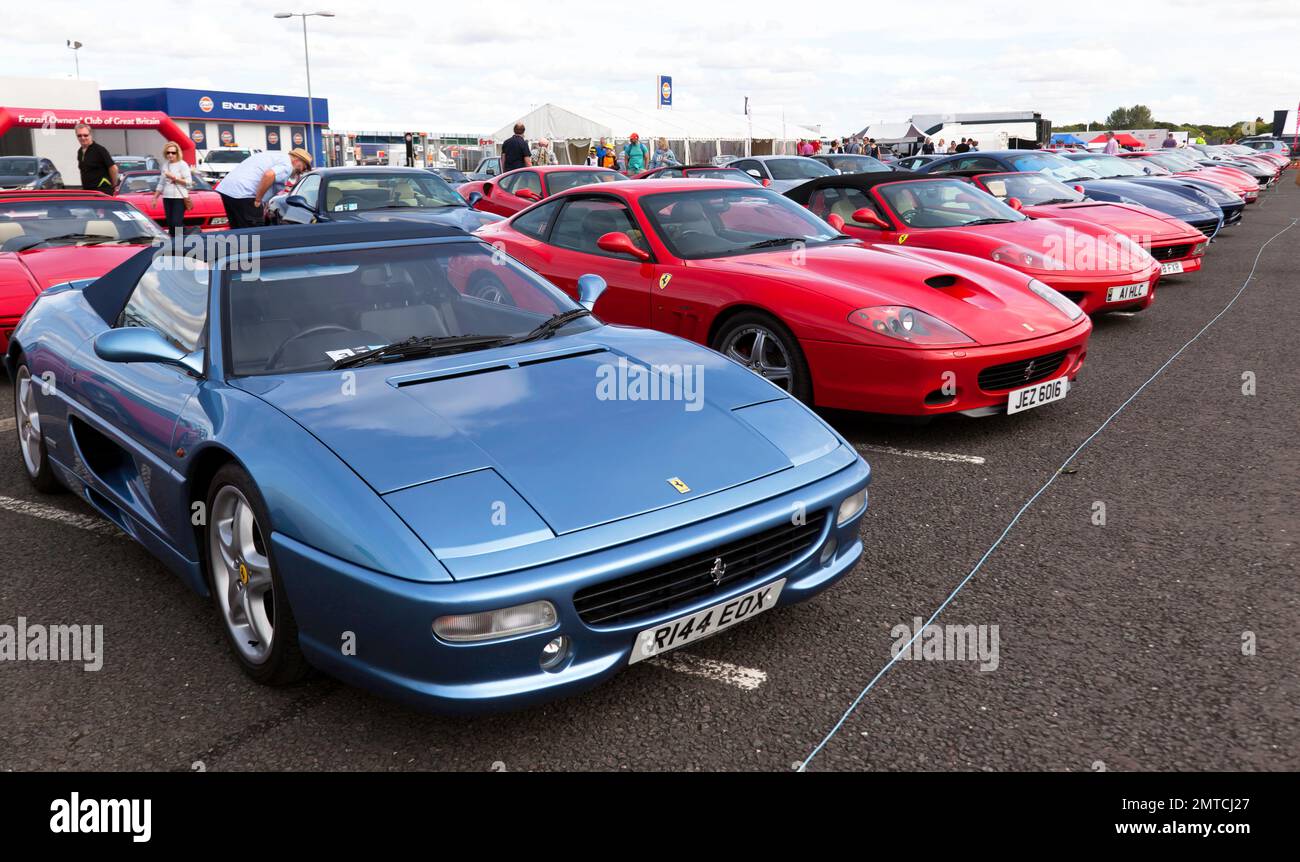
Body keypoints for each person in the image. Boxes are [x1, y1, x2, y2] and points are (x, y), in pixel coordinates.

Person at [216, 147, 311, 229]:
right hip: (244, 194)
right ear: (297, 160)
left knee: (238, 228)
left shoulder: (274, 156)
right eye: (304, 167)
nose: (302, 171)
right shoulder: (287, 165)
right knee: (254, 231)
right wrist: (258, 199)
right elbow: (269, 175)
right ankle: (251, 250)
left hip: (227, 190)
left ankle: (241, 249)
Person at [151, 143, 192, 235]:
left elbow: (189, 182)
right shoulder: (165, 165)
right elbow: (161, 183)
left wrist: (174, 178)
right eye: (168, 152)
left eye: (173, 153)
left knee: (176, 223)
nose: (170, 155)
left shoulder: (182, 164)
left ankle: (190, 233)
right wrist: (155, 198)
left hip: (180, 197)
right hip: (167, 197)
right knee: (170, 224)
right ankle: (175, 244)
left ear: (178, 153)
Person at [74, 123, 118, 195]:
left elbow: (113, 168)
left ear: (90, 134)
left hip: (102, 192)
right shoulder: (80, 152)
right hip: (88, 192)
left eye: (85, 135)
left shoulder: (99, 150)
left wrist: (113, 185)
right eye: (79, 135)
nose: (82, 138)